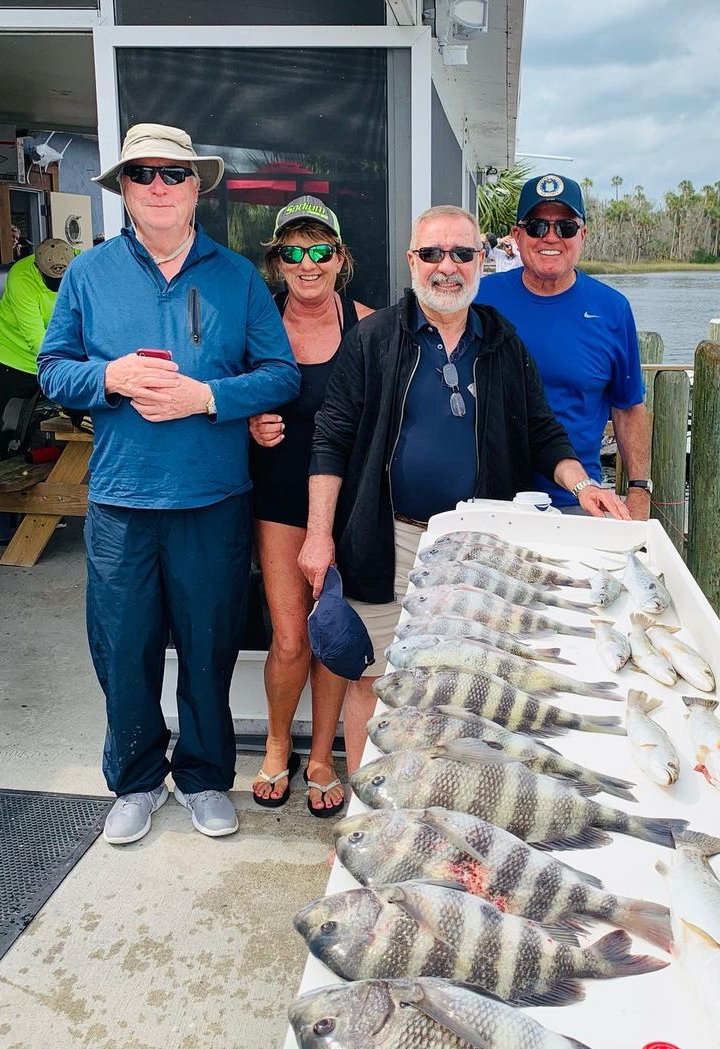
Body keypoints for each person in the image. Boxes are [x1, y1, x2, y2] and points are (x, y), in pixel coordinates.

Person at [38, 123, 300, 846]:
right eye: (143, 173)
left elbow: (280, 374)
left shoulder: (238, 276)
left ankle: (206, 774)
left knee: (211, 645)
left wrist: (208, 398)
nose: (159, 186)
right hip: (121, 501)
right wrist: (108, 377)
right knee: (123, 648)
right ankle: (135, 778)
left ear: (197, 190)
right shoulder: (90, 274)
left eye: (174, 175)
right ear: (122, 188)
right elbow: (52, 368)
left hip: (212, 501)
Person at [299, 204, 629, 772]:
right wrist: (318, 536)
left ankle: (435, 800)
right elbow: (329, 439)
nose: (445, 267)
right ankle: (369, 811)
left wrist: (585, 483)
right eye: (432, 254)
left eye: (461, 253)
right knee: (372, 679)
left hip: (475, 549)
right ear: (412, 260)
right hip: (387, 539)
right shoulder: (374, 338)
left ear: (481, 260)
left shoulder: (502, 343)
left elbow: (544, 433)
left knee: (463, 684)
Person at [249, 196, 373, 817]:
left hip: (348, 506)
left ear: (340, 258)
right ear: (276, 262)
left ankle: (322, 756)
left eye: (320, 249)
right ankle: (277, 745)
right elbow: (222, 394)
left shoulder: (369, 324)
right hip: (277, 500)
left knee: (335, 636)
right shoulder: (257, 324)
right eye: (293, 251)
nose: (307, 263)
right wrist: (248, 423)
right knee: (291, 636)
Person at [477, 174, 652, 518]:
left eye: (566, 228)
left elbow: (628, 406)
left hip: (576, 497)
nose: (551, 237)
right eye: (538, 226)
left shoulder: (612, 308)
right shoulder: (481, 298)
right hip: (489, 497)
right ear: (517, 235)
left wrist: (639, 489)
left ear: (582, 235)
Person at [0, 237, 76, 467]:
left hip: (57, 359)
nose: (57, 286)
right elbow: (37, 340)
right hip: (11, 360)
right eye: (51, 281)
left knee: (56, 427)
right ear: (37, 268)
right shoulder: (21, 277)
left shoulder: (82, 262)